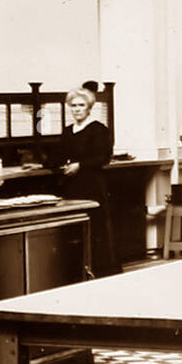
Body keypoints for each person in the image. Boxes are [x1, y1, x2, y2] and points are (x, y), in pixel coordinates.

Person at [49, 81, 121, 275]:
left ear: (89, 107)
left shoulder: (98, 129)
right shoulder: (67, 130)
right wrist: (51, 164)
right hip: (72, 186)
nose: (77, 109)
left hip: (92, 186)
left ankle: (101, 272)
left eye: (81, 105)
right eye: (73, 105)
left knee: (96, 229)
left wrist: (79, 165)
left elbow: (103, 157)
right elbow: (58, 155)